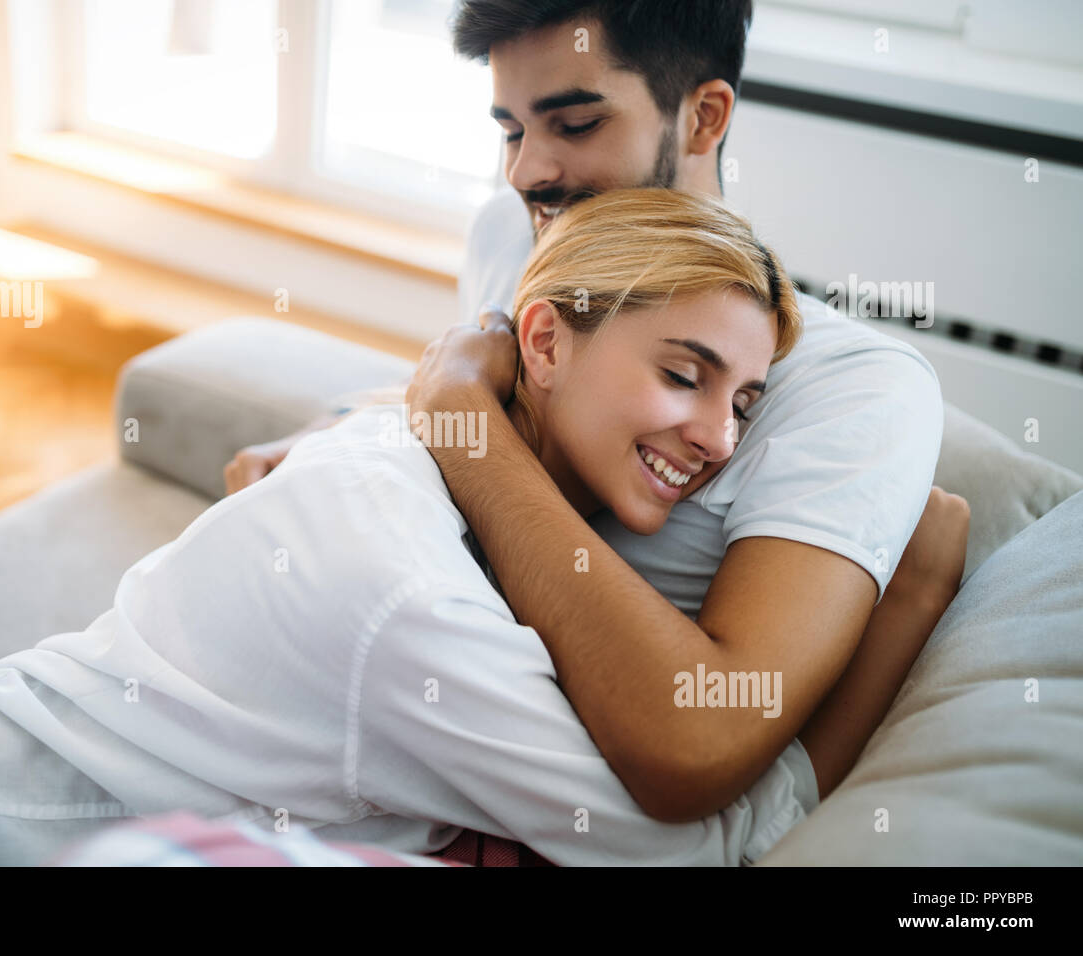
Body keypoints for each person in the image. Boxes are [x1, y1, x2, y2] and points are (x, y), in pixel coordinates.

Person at [0, 190, 947, 868]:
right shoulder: (402, 589)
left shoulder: (421, 458)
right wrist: (919, 572)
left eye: (743, 401)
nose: (721, 438)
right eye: (684, 374)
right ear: (542, 342)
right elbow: (696, 848)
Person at [223, 0, 969, 821]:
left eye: (574, 123)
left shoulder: (855, 387)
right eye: (511, 130)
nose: (525, 171)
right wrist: (334, 425)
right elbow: (504, 403)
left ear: (703, 117)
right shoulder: (513, 240)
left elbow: (695, 749)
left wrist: (459, 423)